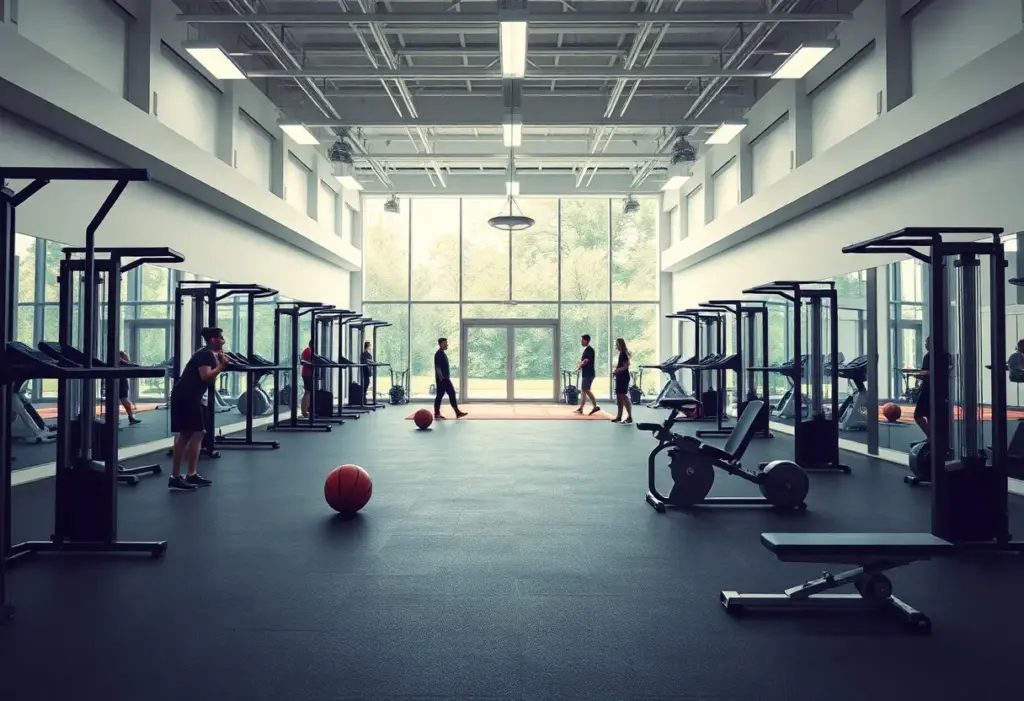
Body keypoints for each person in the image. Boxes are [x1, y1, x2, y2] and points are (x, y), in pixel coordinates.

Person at [167, 327, 225, 491]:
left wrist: (220, 363)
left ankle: (188, 475)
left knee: (192, 433)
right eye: (221, 338)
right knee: (194, 433)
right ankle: (177, 477)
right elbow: (205, 376)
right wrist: (221, 367)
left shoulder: (208, 354)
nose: (223, 341)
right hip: (186, 395)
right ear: (213, 339)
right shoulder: (205, 354)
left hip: (189, 394)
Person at [434, 337, 467, 420]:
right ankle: (456, 412)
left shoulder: (442, 353)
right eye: (445, 343)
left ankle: (438, 413)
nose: (447, 345)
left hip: (444, 378)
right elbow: (438, 368)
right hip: (443, 379)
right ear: (441, 344)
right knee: (451, 393)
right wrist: (442, 379)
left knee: (440, 396)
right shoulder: (439, 354)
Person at [573, 334, 600, 415]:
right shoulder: (587, 350)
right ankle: (581, 408)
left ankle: (595, 406)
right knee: (583, 390)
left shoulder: (589, 350)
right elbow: (584, 360)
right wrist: (579, 365)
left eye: (582, 340)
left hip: (589, 374)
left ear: (587, 340)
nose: (581, 342)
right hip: (586, 373)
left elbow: (586, 361)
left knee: (586, 389)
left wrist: (579, 366)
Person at [611, 338, 633, 425]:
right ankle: (619, 416)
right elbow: (621, 365)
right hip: (620, 377)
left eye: (617, 343)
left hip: (624, 378)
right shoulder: (621, 353)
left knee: (623, 396)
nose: (615, 345)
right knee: (619, 397)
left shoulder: (623, 353)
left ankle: (629, 417)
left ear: (620, 344)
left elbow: (626, 365)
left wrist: (617, 370)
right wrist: (616, 371)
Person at [914, 335, 931, 438]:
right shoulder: (927, 357)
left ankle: (931, 437)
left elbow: (927, 372)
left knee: (919, 414)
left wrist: (922, 374)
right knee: (928, 415)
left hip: (928, 390)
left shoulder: (929, 357)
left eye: (927, 342)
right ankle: (931, 437)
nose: (925, 345)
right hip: (929, 389)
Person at [118, 350, 142, 425]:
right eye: (125, 356)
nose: (127, 357)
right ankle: (130, 418)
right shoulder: (120, 362)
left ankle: (131, 418)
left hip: (122, 382)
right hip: (120, 383)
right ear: (121, 357)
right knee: (126, 402)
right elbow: (133, 365)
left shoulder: (121, 363)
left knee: (125, 402)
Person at [300, 339, 314, 417]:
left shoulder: (308, 350)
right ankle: (304, 411)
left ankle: (306, 410)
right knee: (308, 392)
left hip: (307, 373)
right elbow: (309, 362)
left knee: (308, 392)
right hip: (307, 374)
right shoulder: (308, 351)